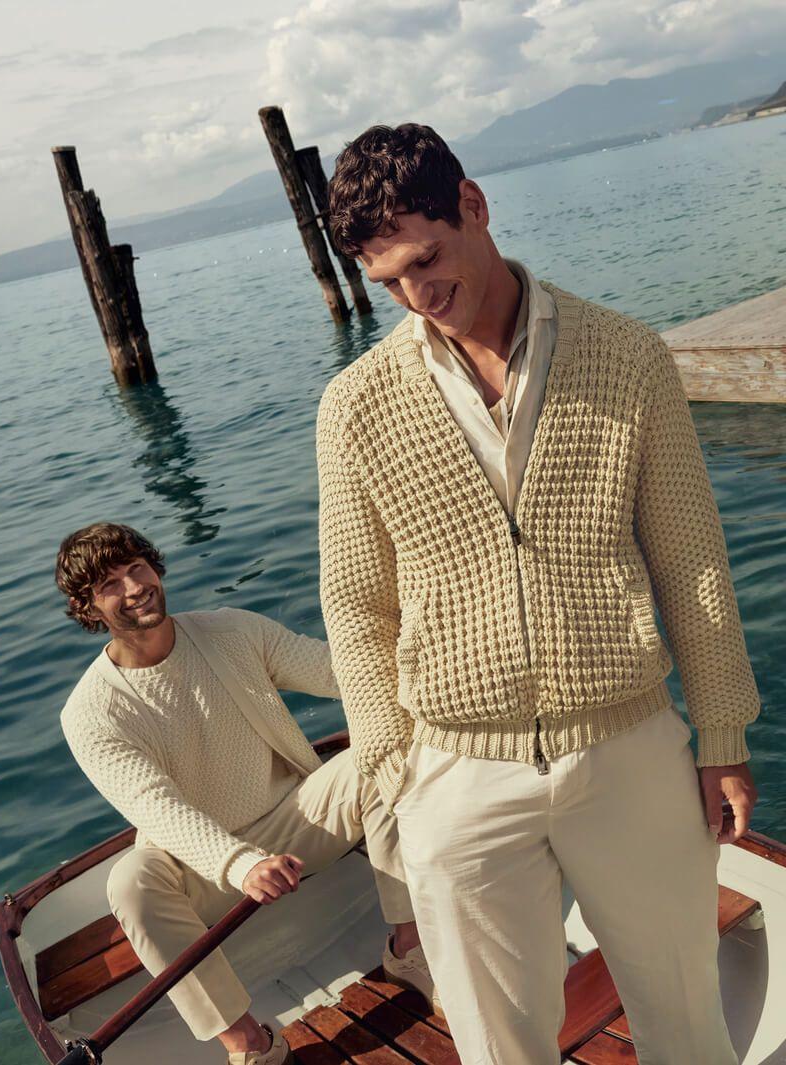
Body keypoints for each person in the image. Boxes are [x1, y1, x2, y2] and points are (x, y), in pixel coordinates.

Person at [316, 123, 760, 1065]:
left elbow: (691, 560)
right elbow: (356, 602)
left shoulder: (627, 356)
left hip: (628, 747)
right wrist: (392, 768)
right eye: (388, 281)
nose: (417, 295)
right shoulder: (355, 405)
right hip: (454, 772)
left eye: (426, 260)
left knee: (688, 1028)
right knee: (499, 1050)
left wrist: (722, 732)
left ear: (473, 205)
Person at [56, 522, 436, 1065]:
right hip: (202, 870)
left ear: (156, 568)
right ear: (88, 607)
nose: (134, 587)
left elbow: (345, 674)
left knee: (377, 757)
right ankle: (249, 1045)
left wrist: (437, 666)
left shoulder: (231, 630)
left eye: (137, 568)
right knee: (131, 883)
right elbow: (155, 807)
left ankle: (409, 947)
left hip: (297, 821)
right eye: (110, 584)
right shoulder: (90, 712)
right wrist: (241, 864)